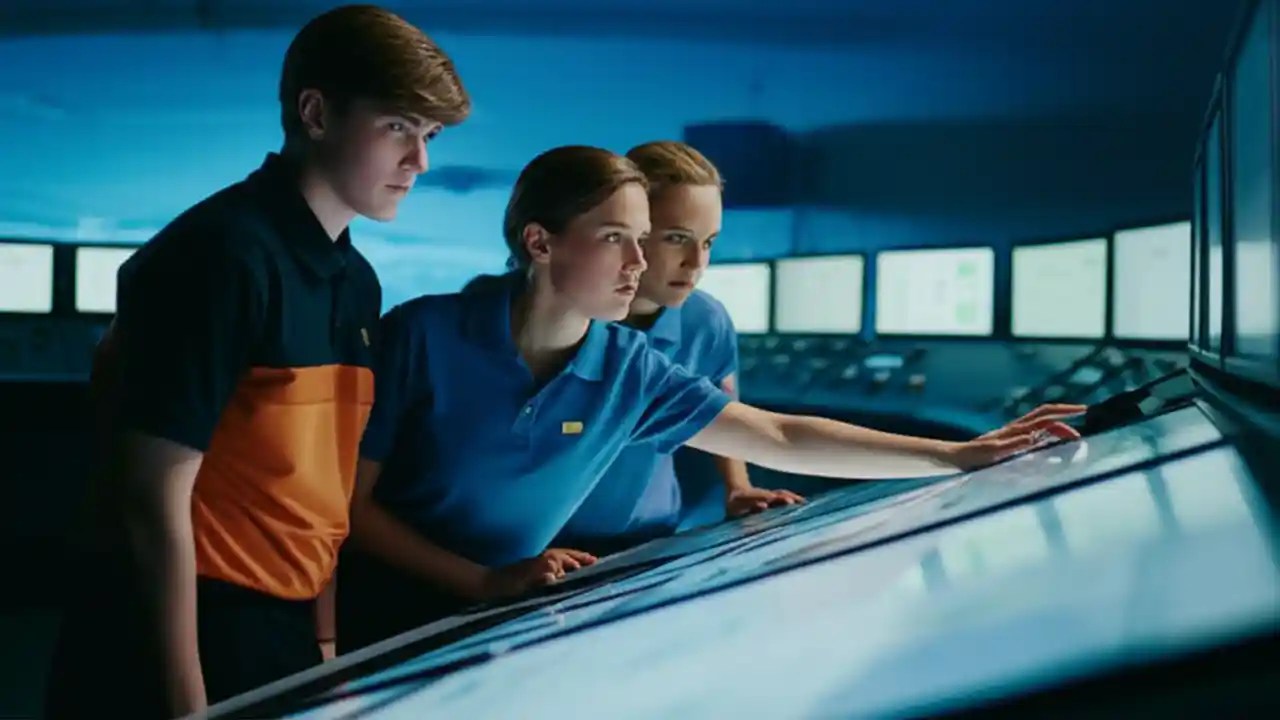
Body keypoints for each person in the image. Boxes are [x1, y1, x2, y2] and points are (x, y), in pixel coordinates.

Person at [335, 144, 1083, 654]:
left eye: (641, 240)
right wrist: (482, 582)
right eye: (618, 239)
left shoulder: (631, 366)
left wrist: (957, 454)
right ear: (539, 242)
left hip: (500, 619)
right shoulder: (422, 336)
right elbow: (351, 510)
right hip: (389, 620)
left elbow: (778, 436)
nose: (639, 263)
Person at [43, 6, 470, 718]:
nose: (420, 161)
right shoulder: (217, 257)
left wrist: (325, 646)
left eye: (428, 135)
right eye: (398, 126)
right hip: (173, 636)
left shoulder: (354, 281)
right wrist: (186, 704)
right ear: (315, 112)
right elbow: (150, 501)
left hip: (284, 632)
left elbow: (321, 491)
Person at [556, 141, 803, 556]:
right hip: (550, 551)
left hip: (650, 541)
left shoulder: (706, 322)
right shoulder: (560, 322)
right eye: (677, 239)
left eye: (707, 243)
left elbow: (721, 407)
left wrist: (737, 487)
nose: (696, 262)